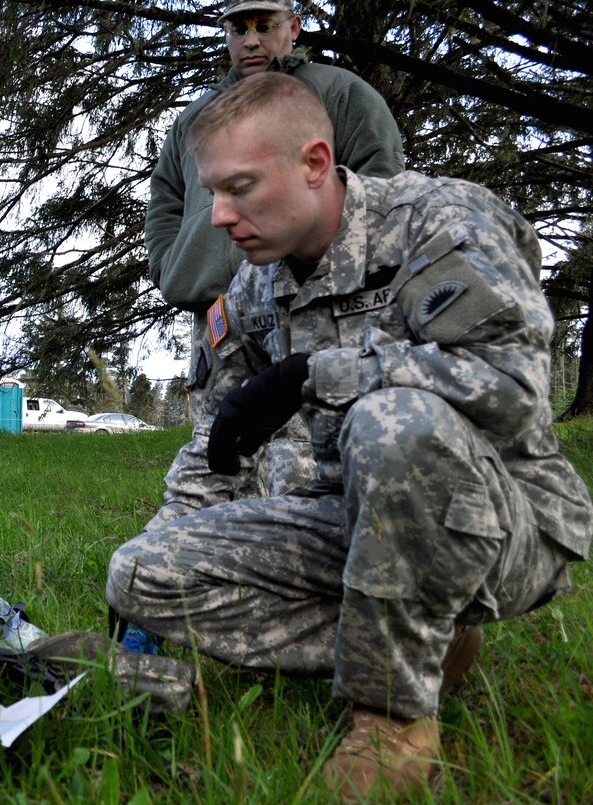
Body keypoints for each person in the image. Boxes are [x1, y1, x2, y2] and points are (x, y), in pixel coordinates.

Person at [107, 72, 592, 799]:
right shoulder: (250, 288)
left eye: (239, 187)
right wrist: (145, 615)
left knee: (391, 422)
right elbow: (218, 445)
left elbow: (516, 392)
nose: (217, 217)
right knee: (138, 574)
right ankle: (430, 636)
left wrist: (320, 373)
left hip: (505, 521)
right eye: (211, 193)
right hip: (348, 521)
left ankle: (393, 716)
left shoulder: (438, 220)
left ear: (314, 163)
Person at [145, 0, 405, 528]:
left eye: (265, 27)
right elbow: (165, 201)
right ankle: (226, 567)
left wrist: (311, 260)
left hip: (318, 308)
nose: (251, 41)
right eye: (238, 29)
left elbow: (379, 188)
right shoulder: (198, 118)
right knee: (221, 448)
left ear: (294, 27)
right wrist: (173, 265)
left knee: (306, 473)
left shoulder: (338, 94)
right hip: (221, 312)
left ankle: (309, 560)